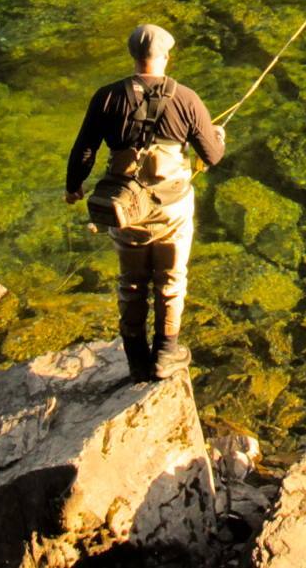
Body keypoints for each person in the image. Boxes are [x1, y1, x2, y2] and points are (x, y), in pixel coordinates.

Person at [64, 23, 225, 380]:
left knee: (131, 283)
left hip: (126, 208)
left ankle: (136, 359)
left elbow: (85, 149)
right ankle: (166, 354)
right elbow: (211, 156)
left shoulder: (107, 97)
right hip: (172, 210)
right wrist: (218, 136)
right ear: (166, 56)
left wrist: (74, 187)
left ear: (133, 55)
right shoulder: (186, 98)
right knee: (170, 280)